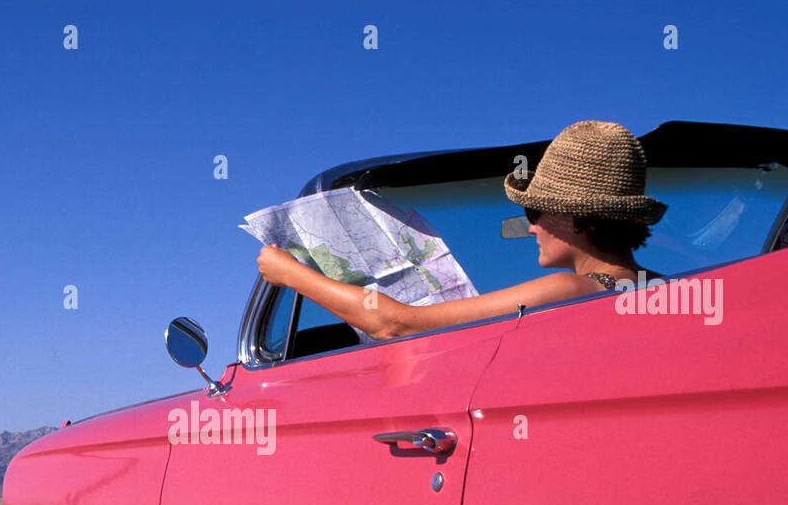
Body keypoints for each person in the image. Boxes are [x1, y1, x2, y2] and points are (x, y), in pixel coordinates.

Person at [256, 120, 667, 340]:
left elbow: (396, 323)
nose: (530, 225)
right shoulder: (661, 287)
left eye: (536, 210)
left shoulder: (574, 290)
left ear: (575, 217)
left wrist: (291, 274)